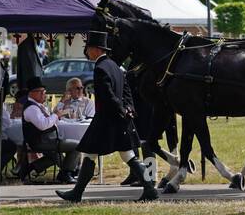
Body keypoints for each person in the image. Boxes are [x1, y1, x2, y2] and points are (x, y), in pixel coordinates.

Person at [57, 31, 158, 203]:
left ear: (95, 49)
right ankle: (149, 189)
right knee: (126, 155)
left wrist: (120, 108)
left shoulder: (101, 67)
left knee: (92, 153)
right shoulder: (114, 66)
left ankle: (77, 193)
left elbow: (107, 94)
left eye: (88, 48)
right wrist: (128, 108)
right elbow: (126, 91)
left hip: (106, 119)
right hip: (118, 118)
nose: (87, 52)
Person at [17, 77, 80, 183]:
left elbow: (47, 121)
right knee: (77, 146)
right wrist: (56, 115)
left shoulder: (38, 106)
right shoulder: (32, 108)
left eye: (44, 92)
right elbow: (43, 125)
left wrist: (56, 116)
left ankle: (30, 168)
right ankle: (66, 173)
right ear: (32, 93)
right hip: (41, 141)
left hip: (46, 139)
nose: (44, 95)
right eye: (41, 92)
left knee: (55, 156)